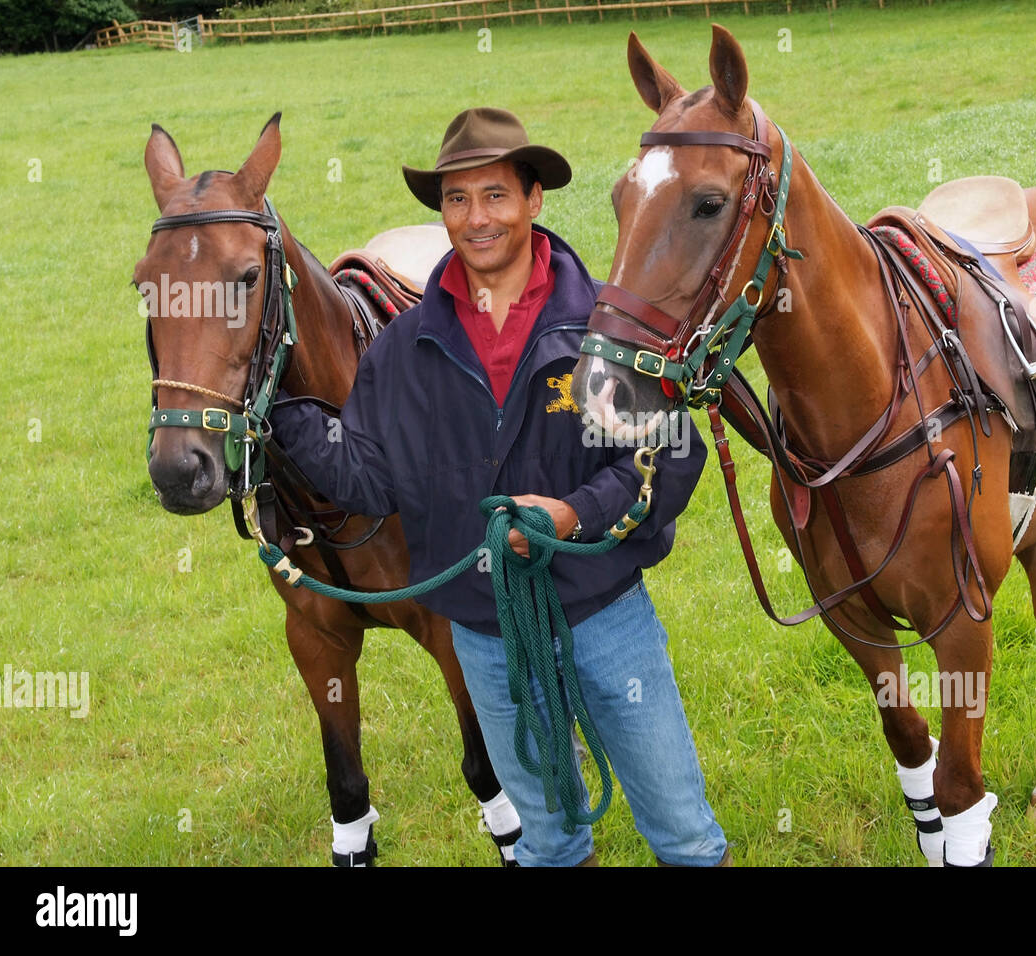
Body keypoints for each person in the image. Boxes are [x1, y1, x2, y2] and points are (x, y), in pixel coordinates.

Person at [270, 107, 728, 867]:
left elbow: (671, 455)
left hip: (603, 617)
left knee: (683, 834)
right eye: (457, 200)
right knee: (545, 844)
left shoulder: (604, 324)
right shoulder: (406, 349)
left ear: (533, 199)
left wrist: (575, 513)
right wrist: (281, 418)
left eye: (494, 196)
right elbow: (371, 479)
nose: (475, 219)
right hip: (485, 636)